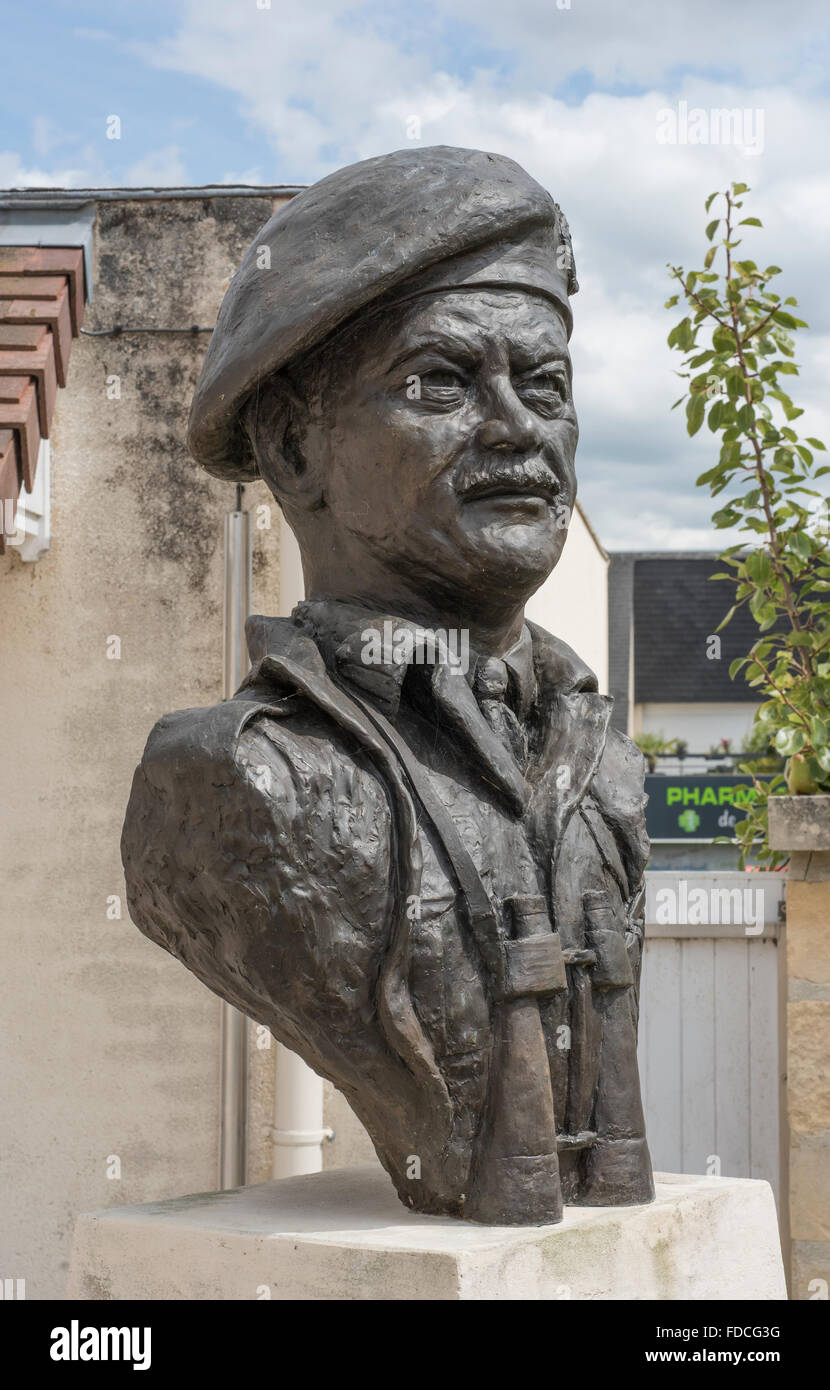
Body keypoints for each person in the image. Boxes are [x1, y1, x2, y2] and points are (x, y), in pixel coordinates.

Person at [122, 146, 654, 1224]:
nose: (519, 427)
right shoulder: (238, 779)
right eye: (441, 383)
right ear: (292, 448)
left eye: (545, 385)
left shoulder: (604, 764)